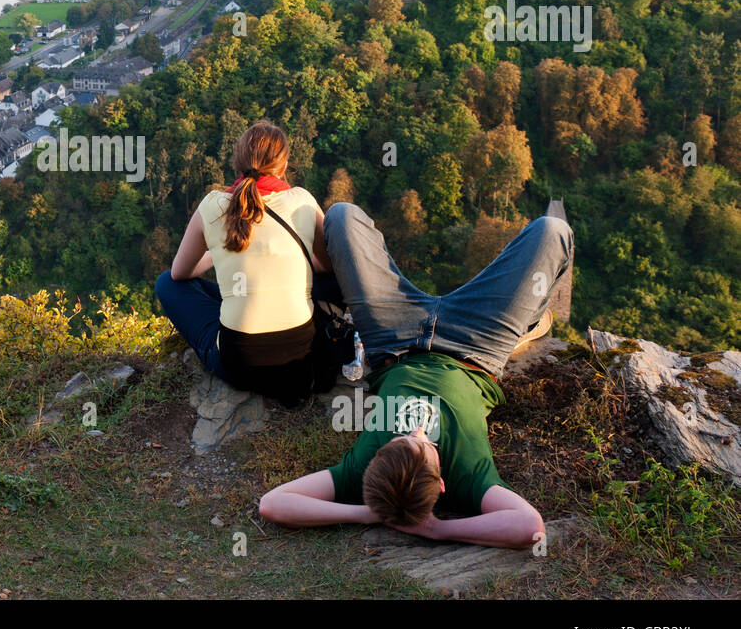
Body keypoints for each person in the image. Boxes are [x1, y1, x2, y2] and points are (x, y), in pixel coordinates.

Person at [259, 202, 572, 548]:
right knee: (552, 232)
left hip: (392, 338)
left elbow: (273, 504)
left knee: (341, 216)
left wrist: (367, 512)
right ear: (441, 484)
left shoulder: (366, 472)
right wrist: (437, 530)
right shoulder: (468, 475)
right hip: (476, 344)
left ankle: (521, 320)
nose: (417, 428)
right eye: (422, 444)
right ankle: (525, 323)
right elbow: (530, 527)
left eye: (401, 437)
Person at [155, 121, 331, 404]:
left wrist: (217, 252)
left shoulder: (212, 205)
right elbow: (328, 267)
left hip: (241, 366)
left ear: (236, 163)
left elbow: (179, 274)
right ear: (284, 164)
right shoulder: (303, 201)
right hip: (300, 362)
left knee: (165, 283)